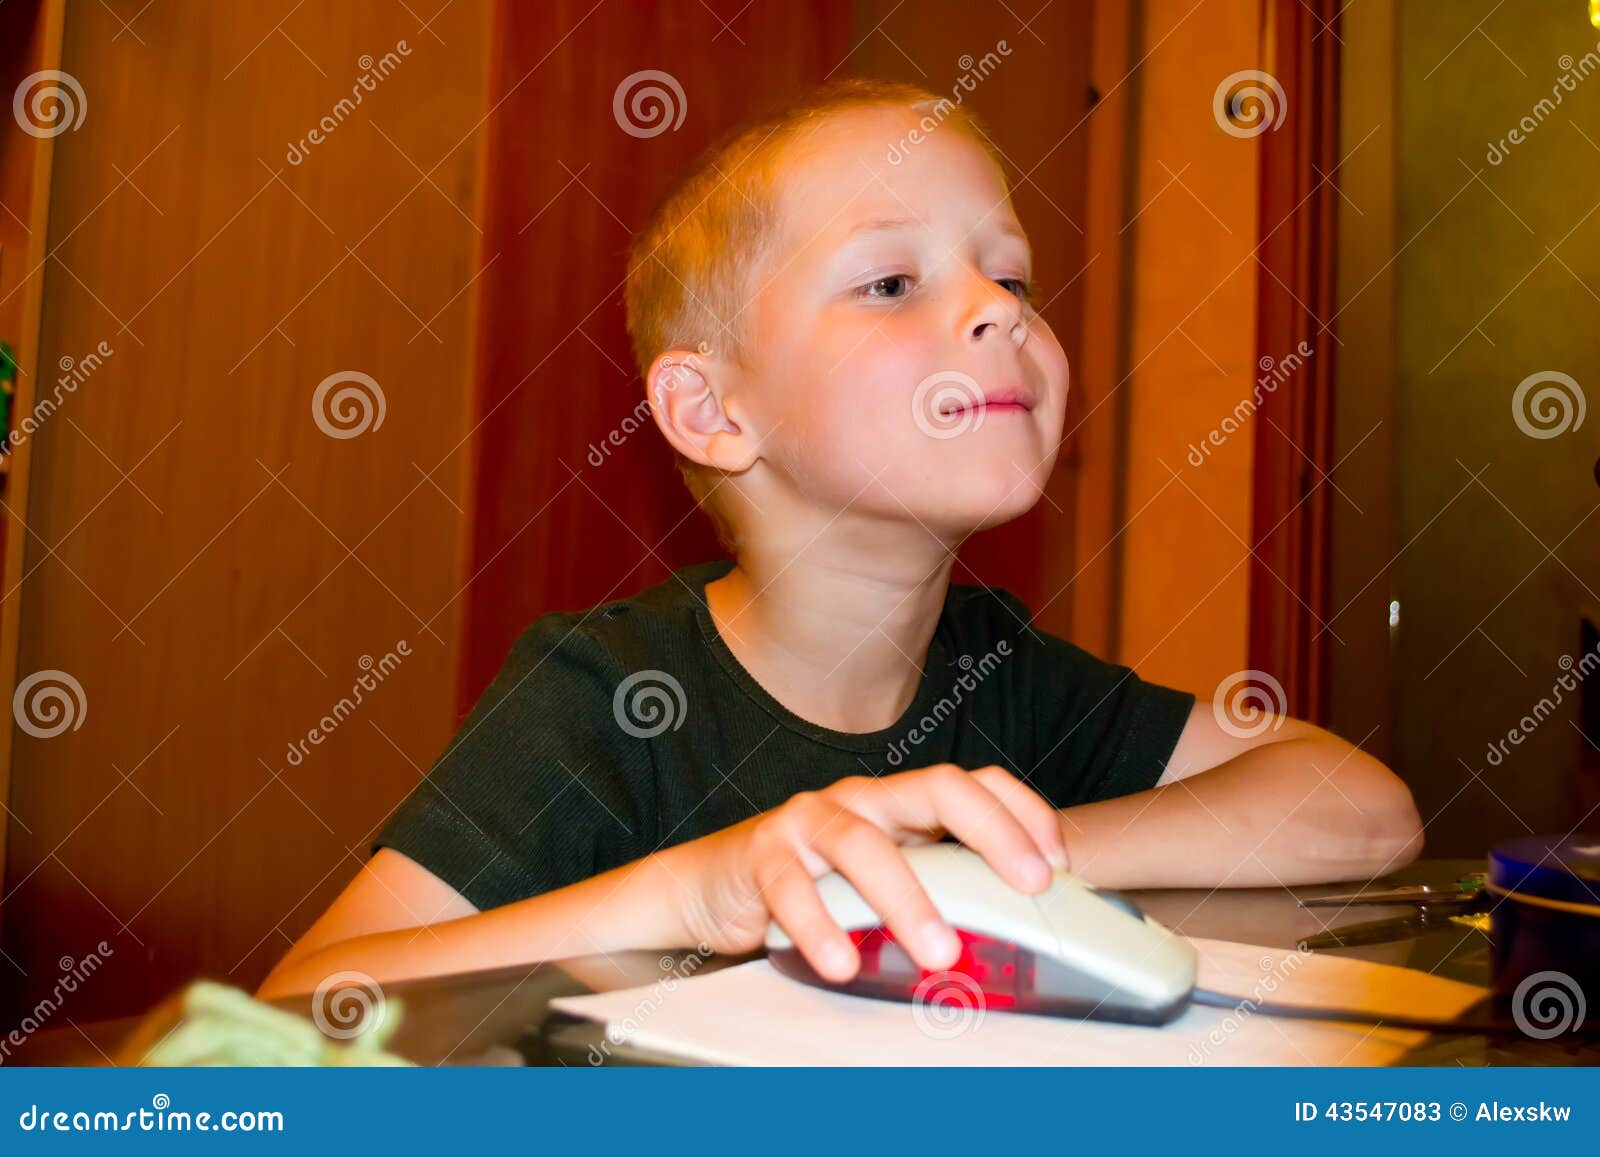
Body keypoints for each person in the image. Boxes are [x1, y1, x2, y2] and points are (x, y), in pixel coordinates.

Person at [258, 80, 1421, 1001]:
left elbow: (1361, 804)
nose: (1001, 306)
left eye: (1007, 272)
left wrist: (1004, 857)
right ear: (714, 412)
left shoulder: (999, 670)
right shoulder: (608, 692)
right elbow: (308, 995)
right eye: (889, 282)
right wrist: (692, 892)